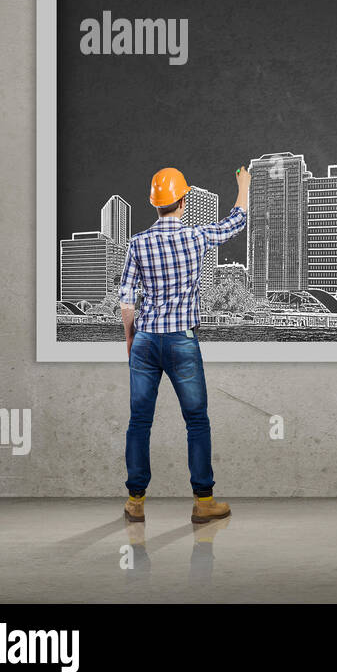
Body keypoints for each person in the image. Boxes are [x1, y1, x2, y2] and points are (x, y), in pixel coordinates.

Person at [119, 164, 250, 524]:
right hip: (182, 341)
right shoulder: (195, 237)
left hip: (145, 340)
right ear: (182, 202)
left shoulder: (138, 243)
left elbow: (126, 297)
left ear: (154, 203)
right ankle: (203, 502)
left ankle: (135, 502)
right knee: (196, 420)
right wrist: (243, 185)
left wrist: (130, 337)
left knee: (139, 421)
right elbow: (235, 222)